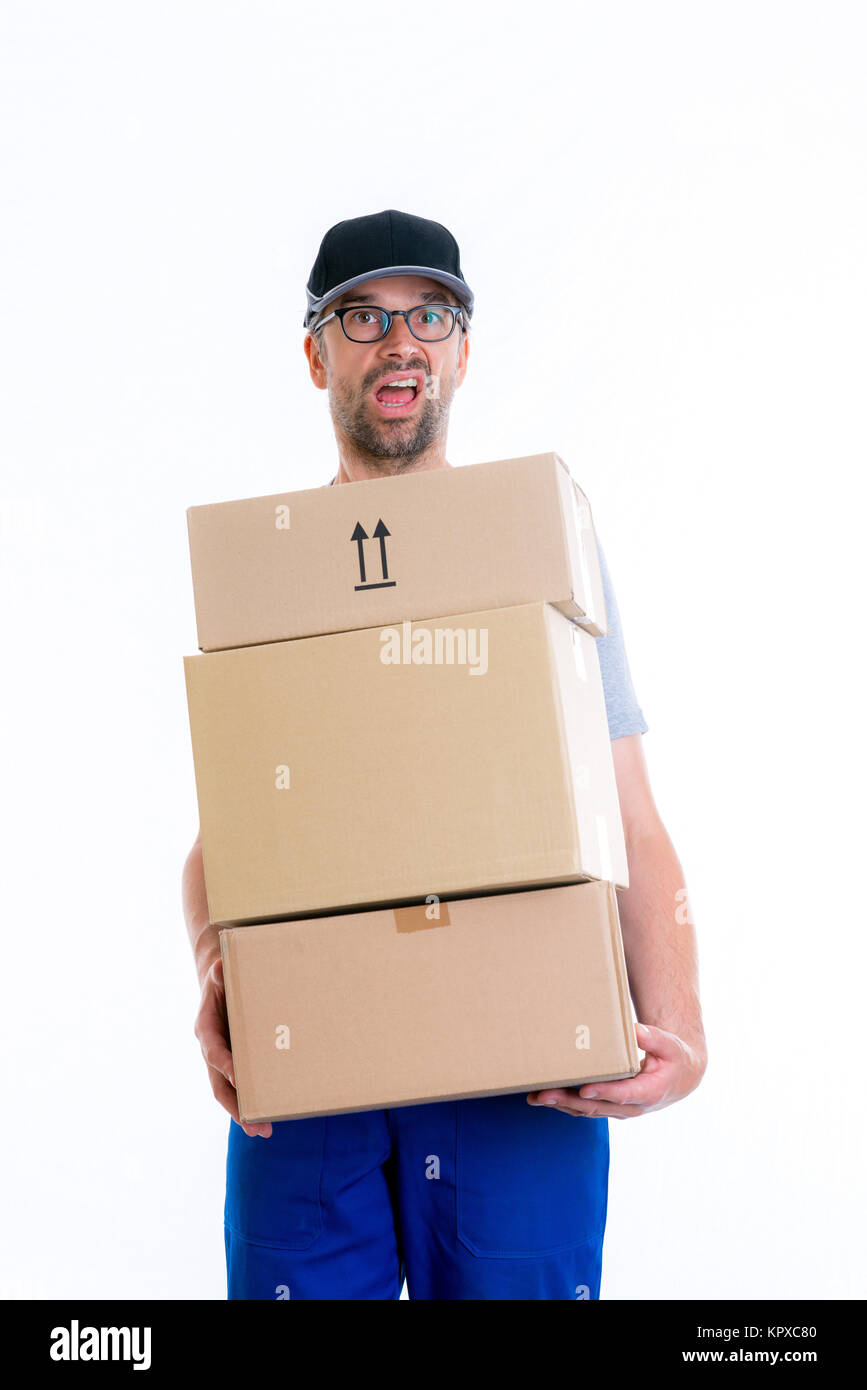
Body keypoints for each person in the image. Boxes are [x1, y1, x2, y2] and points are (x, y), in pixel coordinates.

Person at [181, 209, 708, 1301]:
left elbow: (628, 812)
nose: (401, 341)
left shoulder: (540, 536)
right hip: (318, 1051)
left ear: (462, 351)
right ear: (317, 351)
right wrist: (212, 974)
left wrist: (684, 1027)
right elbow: (224, 836)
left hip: (518, 1055)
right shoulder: (266, 567)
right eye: (365, 315)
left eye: (431, 315)